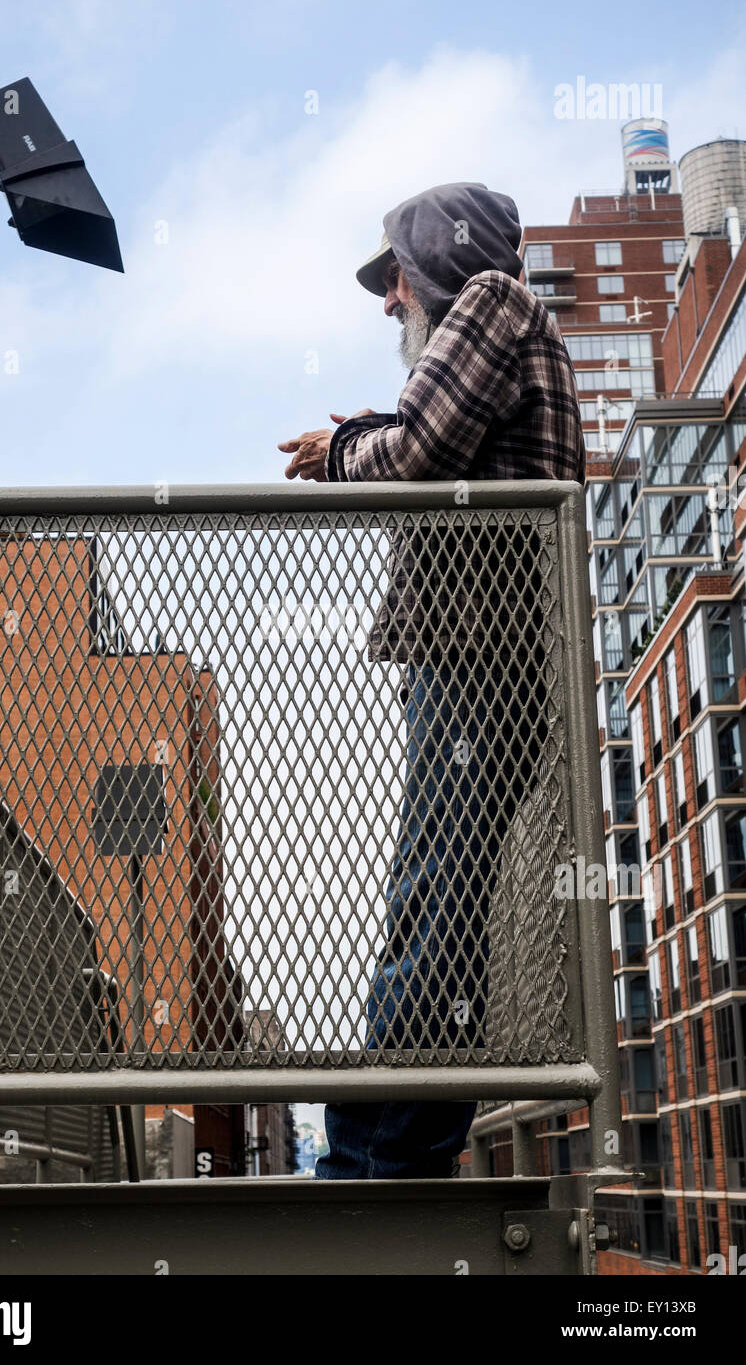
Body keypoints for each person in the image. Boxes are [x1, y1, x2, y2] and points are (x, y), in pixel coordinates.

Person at [278, 182, 585, 1179]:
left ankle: (373, 1159)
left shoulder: (490, 298)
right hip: (479, 660)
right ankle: (405, 1146)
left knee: (430, 903)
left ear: (438, 262)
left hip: (479, 662)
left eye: (394, 275)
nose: (385, 302)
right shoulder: (499, 323)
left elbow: (414, 449)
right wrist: (362, 430)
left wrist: (340, 451)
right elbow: (433, 430)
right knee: (439, 904)